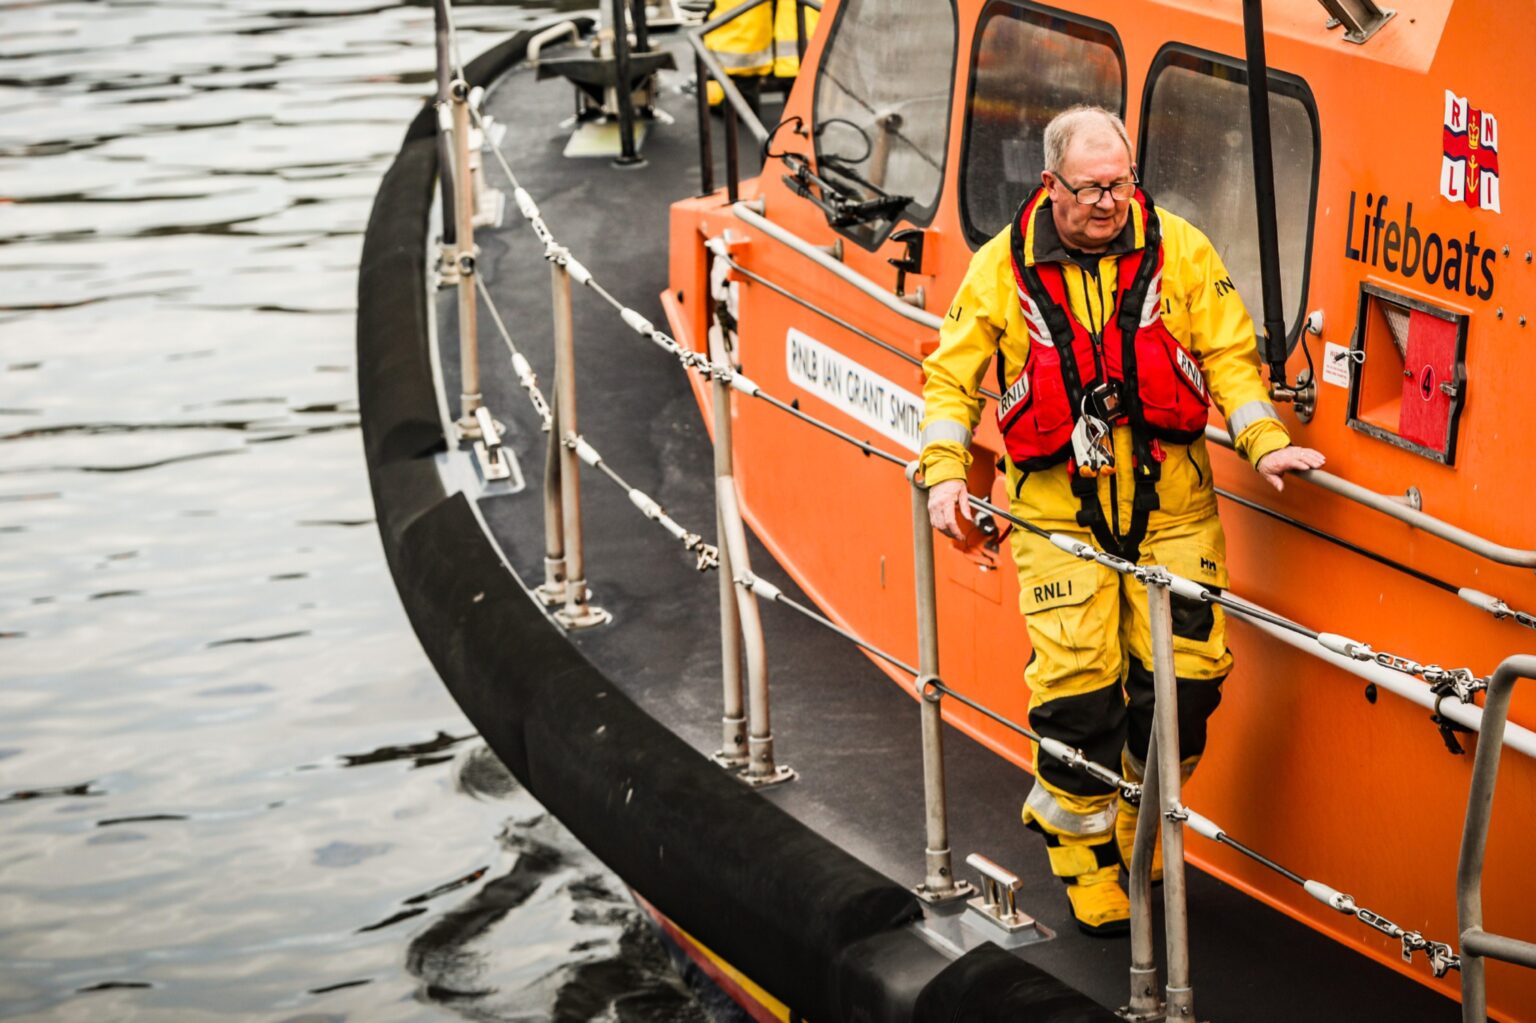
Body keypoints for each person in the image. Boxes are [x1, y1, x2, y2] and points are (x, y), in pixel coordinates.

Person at [918, 106, 1324, 936]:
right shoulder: (999, 268)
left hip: (1172, 502)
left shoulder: (1182, 250)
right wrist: (944, 474)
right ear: (1050, 185)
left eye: (1120, 184)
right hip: (1057, 507)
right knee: (1079, 695)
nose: (1107, 202)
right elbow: (950, 381)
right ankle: (1084, 859)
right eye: (1090, 187)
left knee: (1190, 680)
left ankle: (1139, 814)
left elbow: (1230, 357)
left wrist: (1265, 440)